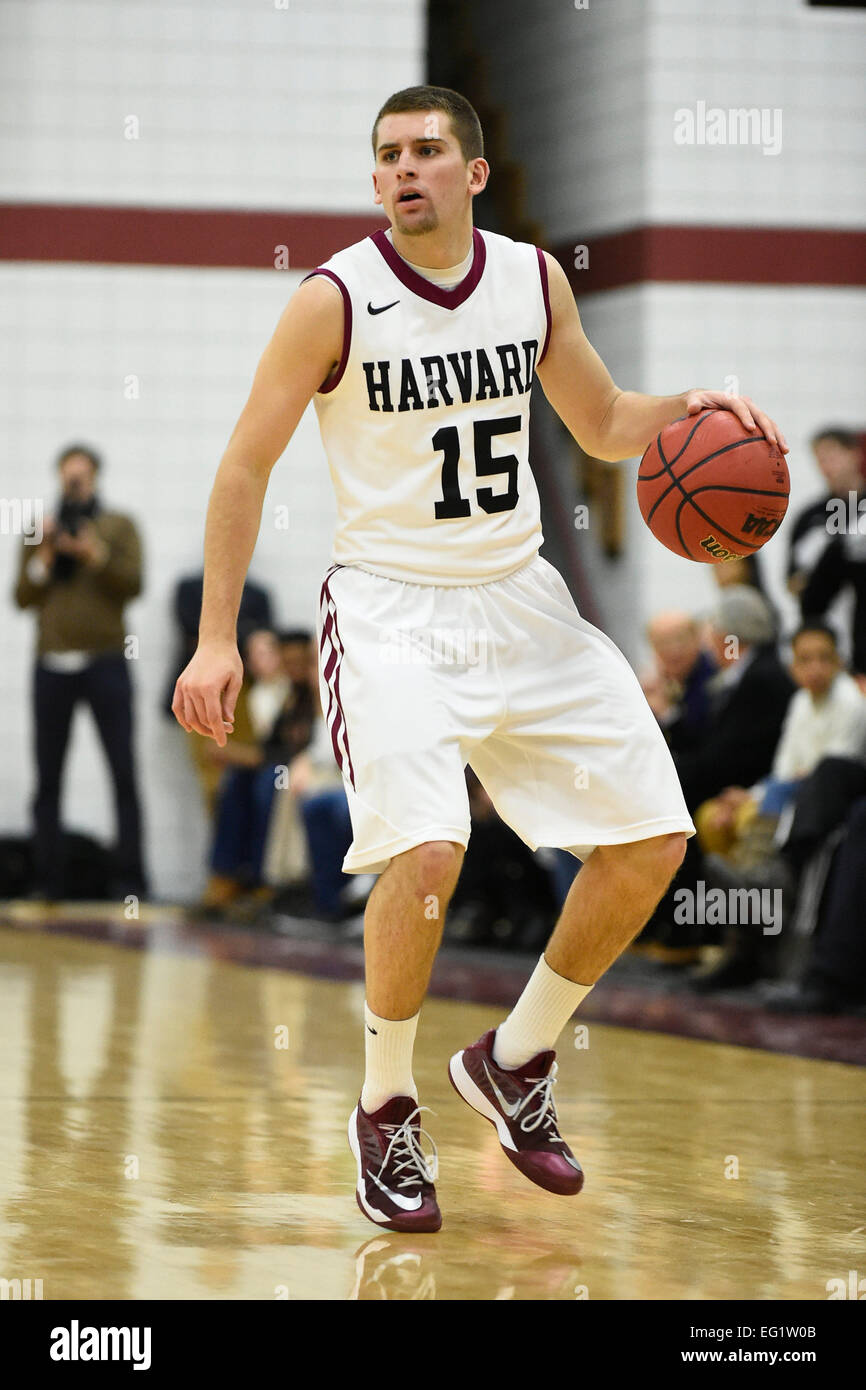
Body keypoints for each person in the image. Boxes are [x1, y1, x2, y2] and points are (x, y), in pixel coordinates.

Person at [171, 85, 788, 1234]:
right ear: (374, 182)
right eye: (386, 157)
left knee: (654, 835)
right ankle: (386, 1104)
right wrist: (213, 637)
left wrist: (688, 411)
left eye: (425, 152)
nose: (404, 171)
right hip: (391, 609)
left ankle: (514, 1059)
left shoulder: (530, 279)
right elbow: (242, 467)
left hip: (520, 595)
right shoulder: (332, 302)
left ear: (474, 173)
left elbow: (600, 421)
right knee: (426, 848)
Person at [14, 443, 147, 900]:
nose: (75, 485)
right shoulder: (39, 529)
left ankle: (131, 881)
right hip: (51, 666)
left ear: (94, 478)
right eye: (68, 477)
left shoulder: (117, 526)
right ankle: (46, 882)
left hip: (107, 662)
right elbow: (21, 596)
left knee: (122, 772)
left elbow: (134, 585)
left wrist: (97, 555)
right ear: (58, 477)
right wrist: (44, 556)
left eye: (82, 477)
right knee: (47, 778)